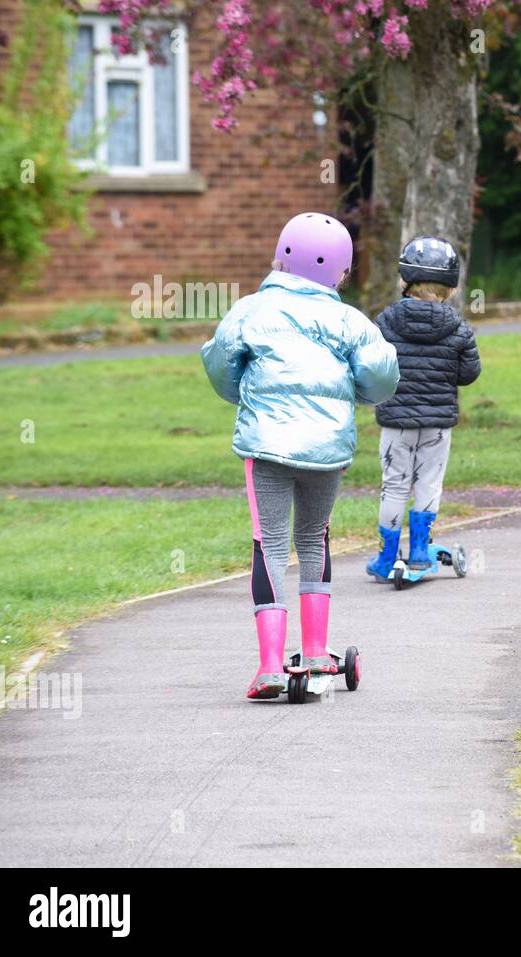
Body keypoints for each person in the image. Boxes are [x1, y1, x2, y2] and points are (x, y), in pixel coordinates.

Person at [201, 212, 399, 699]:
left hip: (266, 445)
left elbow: (220, 364)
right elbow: (380, 376)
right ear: (342, 273)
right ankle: (314, 652)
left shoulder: (250, 310)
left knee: (268, 543)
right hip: (327, 448)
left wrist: (245, 395)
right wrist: (356, 394)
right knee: (314, 538)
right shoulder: (350, 321)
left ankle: (270, 666)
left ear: (279, 258)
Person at [365, 237, 481, 580]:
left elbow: (373, 365)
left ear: (405, 280)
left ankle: (387, 557)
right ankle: (418, 551)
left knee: (395, 485)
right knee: (429, 483)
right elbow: (469, 374)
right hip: (438, 423)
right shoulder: (458, 327)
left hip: (395, 421)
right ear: (450, 287)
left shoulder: (385, 322)